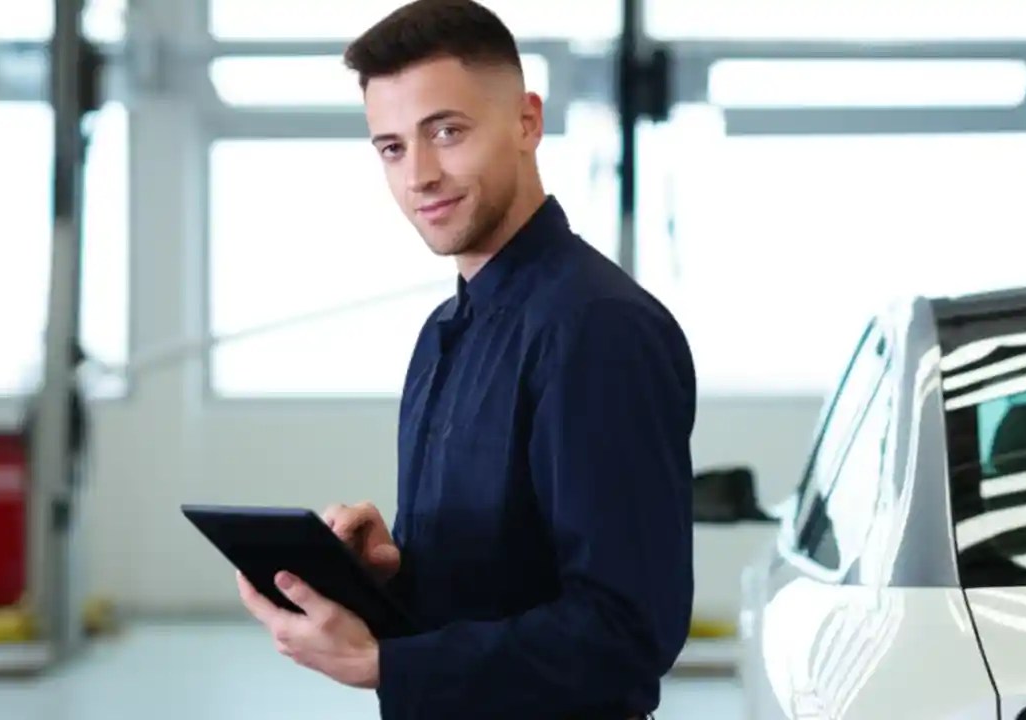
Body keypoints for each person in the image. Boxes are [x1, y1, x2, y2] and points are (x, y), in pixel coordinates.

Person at [235, 1, 697, 717]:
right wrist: (393, 576)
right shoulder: (445, 332)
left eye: (445, 132)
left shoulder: (598, 331)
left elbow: (625, 634)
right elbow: (503, 581)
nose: (419, 174)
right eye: (391, 148)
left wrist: (381, 661)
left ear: (527, 122)